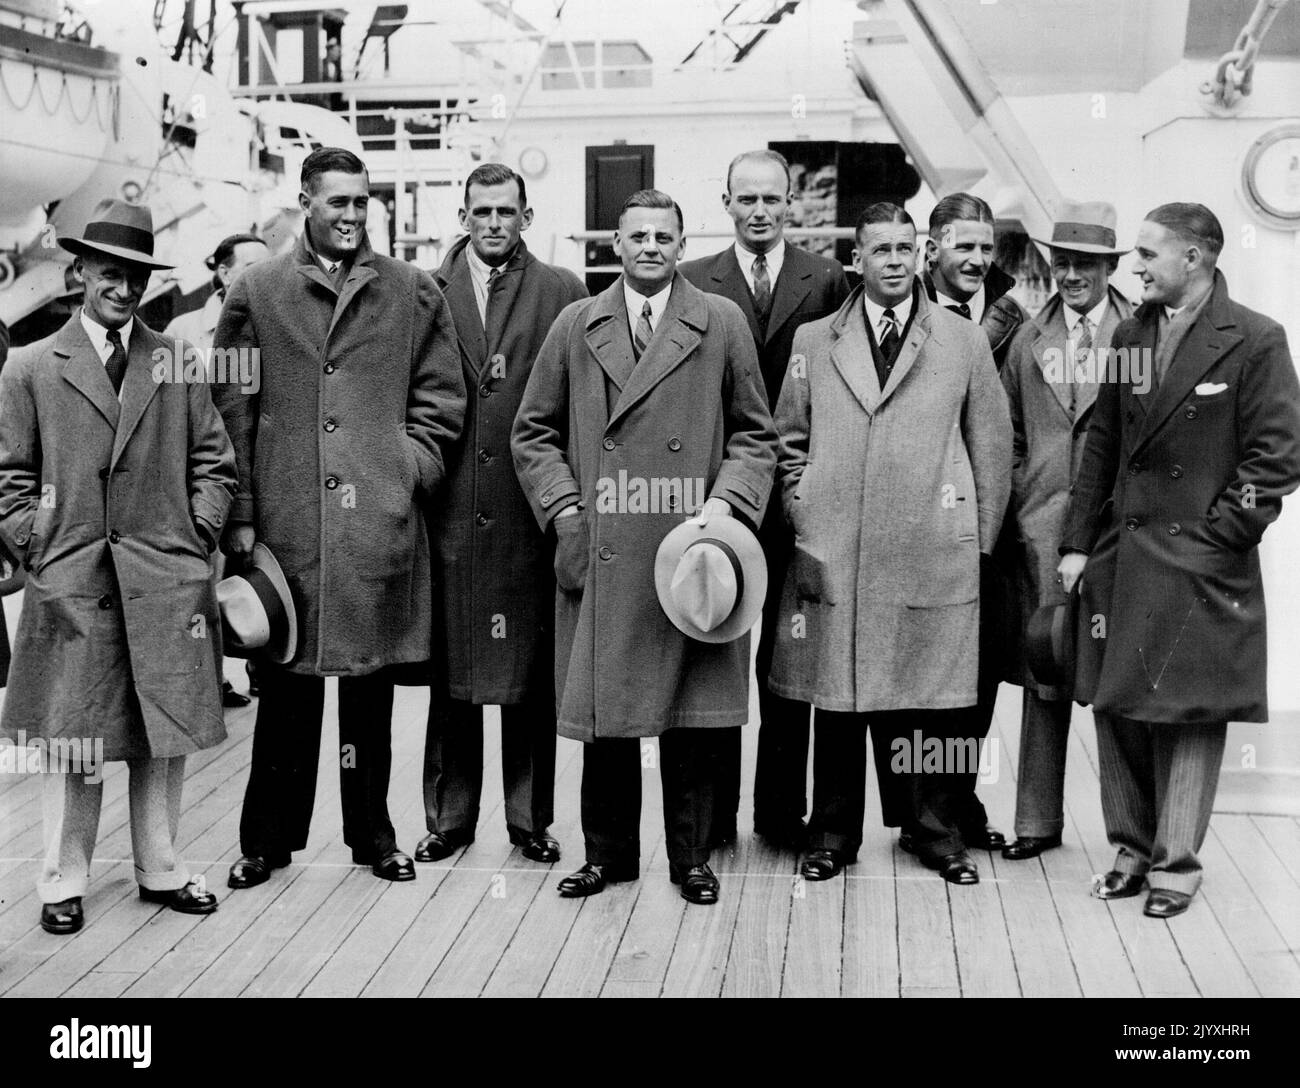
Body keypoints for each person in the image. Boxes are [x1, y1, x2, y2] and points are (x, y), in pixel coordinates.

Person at [512, 189, 776, 905]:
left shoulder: (719, 323)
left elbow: (756, 433)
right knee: (609, 718)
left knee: (689, 719)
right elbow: (531, 432)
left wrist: (723, 509)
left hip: (691, 552)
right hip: (605, 543)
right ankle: (608, 857)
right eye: (637, 236)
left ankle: (691, 859)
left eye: (664, 235)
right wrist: (566, 509)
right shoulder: (577, 324)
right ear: (616, 247)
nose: (651, 247)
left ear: (683, 245)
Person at [213, 147, 466, 888]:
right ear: (306, 203)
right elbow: (229, 408)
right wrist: (244, 514)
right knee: (284, 689)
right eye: (337, 203)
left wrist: (402, 470)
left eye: (362, 202)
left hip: (372, 525)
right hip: (285, 529)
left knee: (369, 691)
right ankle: (268, 839)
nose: (352, 215)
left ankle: (372, 836)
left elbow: (442, 400)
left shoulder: (412, 291)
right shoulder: (255, 291)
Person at [0, 198, 237, 933]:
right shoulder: (31, 368)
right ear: (79, 273)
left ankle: (160, 868)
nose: (124, 289)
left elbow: (216, 462)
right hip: (73, 583)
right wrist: (44, 548)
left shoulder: (175, 360)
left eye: (135, 277)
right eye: (110, 273)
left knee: (160, 737)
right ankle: (61, 881)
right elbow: (8, 477)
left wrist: (193, 537)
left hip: (164, 582)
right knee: (75, 739)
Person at [1058, 202, 1300, 918]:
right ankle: (1131, 851)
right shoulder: (1132, 332)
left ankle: (1177, 867)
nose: (1135, 268)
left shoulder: (1254, 339)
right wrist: (1076, 544)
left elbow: (1277, 459)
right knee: (1117, 707)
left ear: (1194, 258)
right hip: (1123, 557)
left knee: (1191, 714)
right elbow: (1102, 441)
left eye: (1147, 254)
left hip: (1200, 567)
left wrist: (1220, 535)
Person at [768, 203, 1011, 883]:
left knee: (928, 698)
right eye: (883, 250)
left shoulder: (962, 341)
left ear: (923, 252)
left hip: (930, 545)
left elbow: (990, 446)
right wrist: (803, 505)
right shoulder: (814, 341)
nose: (897, 261)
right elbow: (789, 437)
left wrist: (976, 539)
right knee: (838, 698)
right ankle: (834, 834)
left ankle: (931, 831)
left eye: (908, 248)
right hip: (837, 544)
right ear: (858, 259)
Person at [679, 149, 849, 849]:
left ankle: (780, 815)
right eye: (745, 199)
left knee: (791, 663)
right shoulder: (692, 281)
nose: (758, 211)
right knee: (715, 656)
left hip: (798, 503)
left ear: (790, 206)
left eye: (770, 199)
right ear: (726, 203)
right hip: (721, 499)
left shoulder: (828, 280)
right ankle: (712, 817)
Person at [418, 163, 586, 866]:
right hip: (449, 510)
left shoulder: (564, 293)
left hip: (525, 517)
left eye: (506, 212)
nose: (493, 223)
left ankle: (530, 820)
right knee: (450, 678)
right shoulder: (423, 292)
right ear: (463, 215)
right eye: (481, 211)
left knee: (529, 680)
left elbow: (579, 408)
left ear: (527, 215)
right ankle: (449, 819)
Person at [999, 201, 1133, 861]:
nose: (1072, 274)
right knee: (1044, 667)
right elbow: (1011, 435)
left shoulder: (1143, 336)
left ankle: (1135, 834)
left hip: (1117, 534)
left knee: (1119, 679)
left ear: (1111, 266)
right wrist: (1024, 500)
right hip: (1044, 530)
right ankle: (1035, 823)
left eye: (1086, 263)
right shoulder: (1029, 338)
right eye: (1064, 261)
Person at [918, 191, 1027, 855]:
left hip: (991, 528)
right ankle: (927, 812)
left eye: (986, 248)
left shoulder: (1017, 311)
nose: (977, 259)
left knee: (978, 679)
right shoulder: (909, 309)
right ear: (934, 248)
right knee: (929, 678)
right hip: (922, 520)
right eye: (964, 246)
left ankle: (957, 799)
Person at [166, 232, 270, 709]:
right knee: (202, 585)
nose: (263, 277)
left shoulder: (274, 323)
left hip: (257, 475)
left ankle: (261, 666)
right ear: (224, 273)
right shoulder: (182, 332)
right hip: (202, 479)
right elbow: (168, 414)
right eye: (251, 267)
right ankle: (208, 681)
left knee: (259, 577)